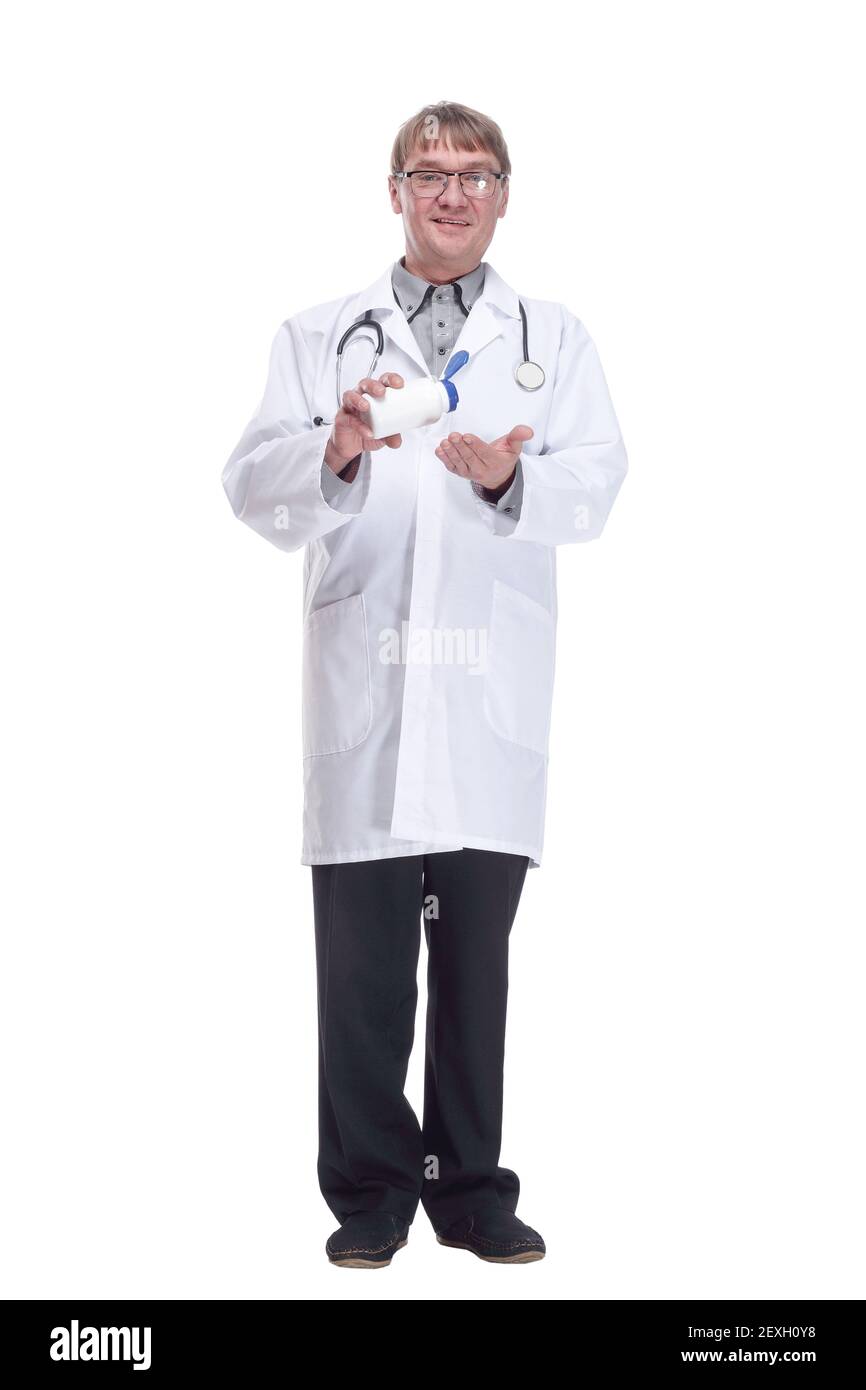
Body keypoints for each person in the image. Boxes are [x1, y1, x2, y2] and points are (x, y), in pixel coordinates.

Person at [221, 100, 628, 1267]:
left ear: (504, 194)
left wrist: (511, 478)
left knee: (472, 967)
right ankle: (369, 1193)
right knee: (360, 975)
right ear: (392, 191)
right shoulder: (316, 335)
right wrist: (332, 453)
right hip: (366, 694)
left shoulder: (548, 338)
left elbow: (595, 484)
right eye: (428, 172)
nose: (451, 193)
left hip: (486, 698)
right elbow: (252, 487)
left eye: (475, 173)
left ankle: (469, 1190)